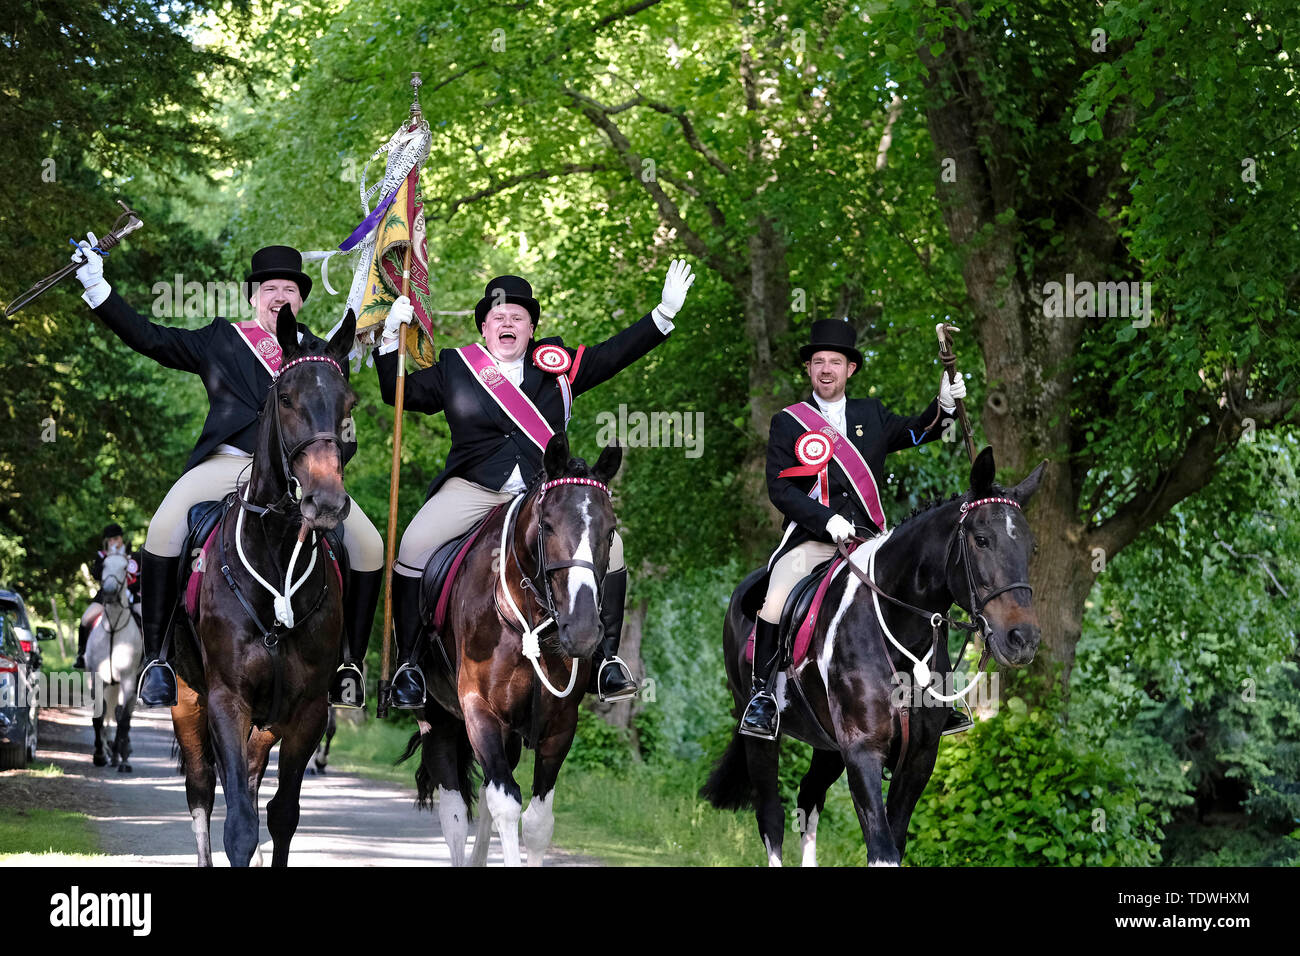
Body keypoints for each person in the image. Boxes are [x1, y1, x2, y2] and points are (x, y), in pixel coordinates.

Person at [73, 239, 385, 709]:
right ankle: (157, 659)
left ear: (301, 300)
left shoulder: (320, 356)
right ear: (253, 296)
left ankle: (348, 666)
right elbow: (150, 337)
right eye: (270, 288)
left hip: (297, 478)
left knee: (371, 546)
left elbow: (342, 431)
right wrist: (98, 287)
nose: (280, 296)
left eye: (290, 289)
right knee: (161, 531)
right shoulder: (223, 340)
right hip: (226, 465)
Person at [375, 262, 695, 709]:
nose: (507, 323)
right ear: (484, 326)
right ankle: (409, 665)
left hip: (544, 497)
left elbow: (613, 354)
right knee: (411, 548)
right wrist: (389, 340)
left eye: (517, 317)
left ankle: (606, 660)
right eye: (499, 317)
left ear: (531, 328)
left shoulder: (558, 369)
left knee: (615, 550)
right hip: (474, 489)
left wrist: (662, 315)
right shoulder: (455, 366)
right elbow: (398, 392)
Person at [740, 318, 969, 740]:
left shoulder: (871, 415)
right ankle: (763, 697)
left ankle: (938, 696)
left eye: (836, 362)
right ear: (808, 369)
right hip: (813, 541)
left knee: (924, 594)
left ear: (851, 370)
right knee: (774, 597)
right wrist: (825, 519)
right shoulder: (788, 422)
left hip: (870, 541)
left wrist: (946, 407)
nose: (826, 369)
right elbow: (779, 488)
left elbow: (919, 432)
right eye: (818, 362)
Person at [76, 522, 141, 670]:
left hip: (132, 596)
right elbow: (97, 574)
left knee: (147, 620)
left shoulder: (135, 557)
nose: (113, 542)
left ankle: (152, 656)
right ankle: (82, 653)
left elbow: (141, 577)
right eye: (110, 540)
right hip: (107, 597)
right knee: (85, 619)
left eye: (116, 539)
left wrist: (131, 588)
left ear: (121, 539)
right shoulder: (102, 556)